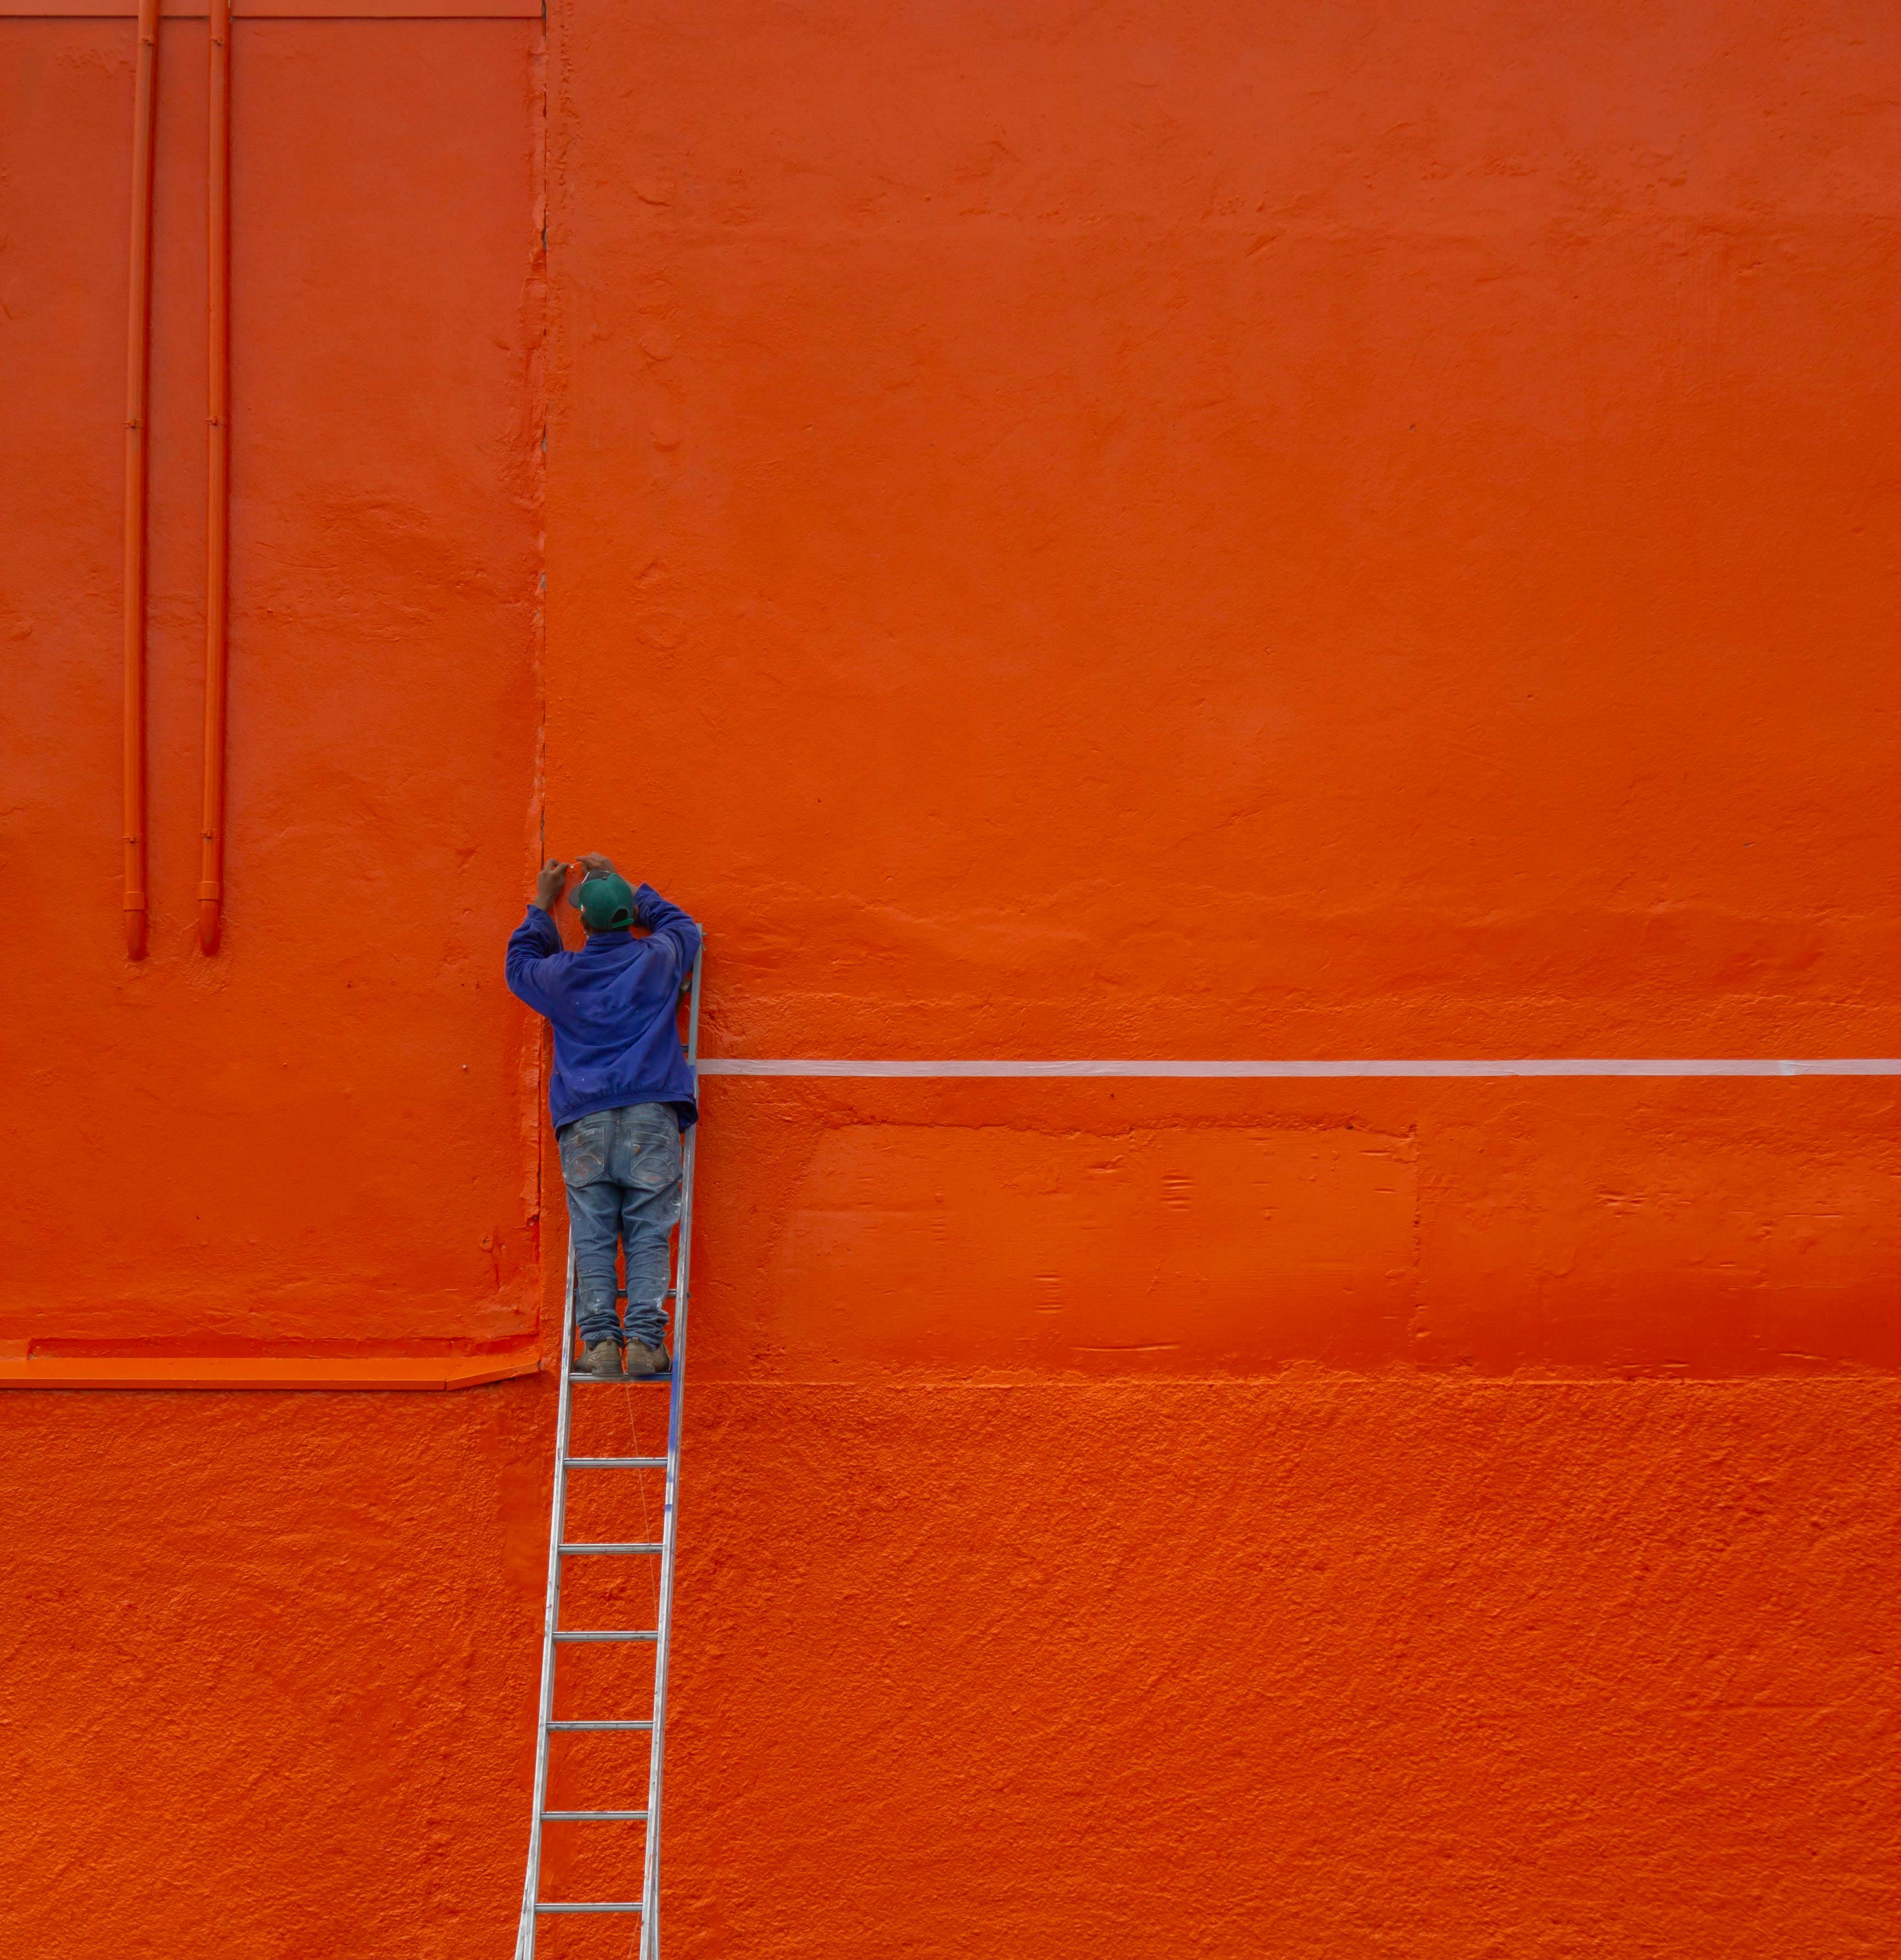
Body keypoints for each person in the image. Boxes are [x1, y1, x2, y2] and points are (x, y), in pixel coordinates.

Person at [505, 853, 701, 1380]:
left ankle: (599, 1346)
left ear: (584, 922)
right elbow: (684, 926)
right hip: (651, 1116)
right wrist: (628, 885)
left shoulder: (563, 975)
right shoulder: (659, 957)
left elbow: (519, 965)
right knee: (648, 1230)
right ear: (627, 916)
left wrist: (544, 904)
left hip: (586, 1119)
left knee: (593, 1233)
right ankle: (643, 1339)